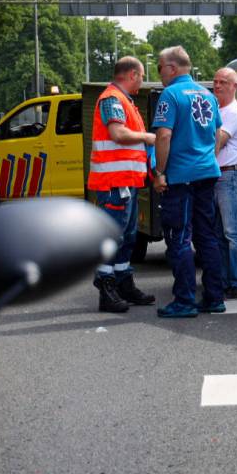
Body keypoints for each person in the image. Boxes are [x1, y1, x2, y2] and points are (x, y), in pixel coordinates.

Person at [152, 47, 226, 318]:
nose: (158, 73)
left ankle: (184, 300)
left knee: (179, 238)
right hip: (207, 173)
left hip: (181, 177)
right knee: (207, 236)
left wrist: (160, 172)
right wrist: (209, 159)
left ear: (172, 68)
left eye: (160, 67)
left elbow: (163, 136)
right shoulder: (207, 94)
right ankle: (214, 297)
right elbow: (217, 132)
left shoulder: (170, 95)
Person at [87, 56, 157, 313]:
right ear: (131, 75)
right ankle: (106, 289)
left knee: (127, 237)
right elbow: (118, 134)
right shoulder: (112, 99)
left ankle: (123, 283)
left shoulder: (125, 101)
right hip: (113, 183)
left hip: (125, 183)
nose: (142, 80)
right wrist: (149, 137)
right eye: (141, 75)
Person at [212, 67, 237, 299]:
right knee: (218, 233)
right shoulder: (219, 110)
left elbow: (217, 143)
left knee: (232, 232)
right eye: (216, 82)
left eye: (223, 82)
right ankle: (226, 280)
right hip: (217, 176)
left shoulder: (235, 112)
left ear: (234, 86)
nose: (217, 86)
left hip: (229, 177)